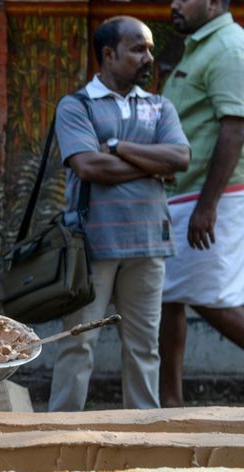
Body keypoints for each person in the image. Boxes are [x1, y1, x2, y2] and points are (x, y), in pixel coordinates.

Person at [48, 16, 190, 412]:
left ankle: (145, 436)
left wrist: (116, 146)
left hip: (149, 245)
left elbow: (180, 157)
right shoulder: (76, 106)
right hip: (92, 246)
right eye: (138, 49)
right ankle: (58, 433)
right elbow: (90, 167)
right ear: (108, 54)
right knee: (78, 343)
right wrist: (152, 166)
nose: (148, 57)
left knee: (144, 346)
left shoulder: (159, 106)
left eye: (148, 49)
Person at [160, 0, 244, 407]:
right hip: (182, 195)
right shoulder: (200, 45)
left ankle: (169, 400)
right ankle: (169, 403)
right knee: (168, 296)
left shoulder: (229, 47)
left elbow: (235, 128)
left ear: (213, 3)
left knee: (210, 299)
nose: (173, 5)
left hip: (211, 197)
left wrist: (207, 206)